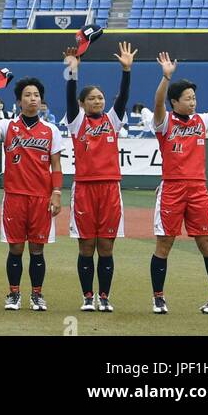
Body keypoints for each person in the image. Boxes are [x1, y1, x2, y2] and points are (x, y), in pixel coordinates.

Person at [150, 52, 208, 315]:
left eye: (194, 98)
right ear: (175, 102)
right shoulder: (164, 122)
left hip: (198, 189)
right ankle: (158, 298)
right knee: (164, 244)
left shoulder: (202, 120)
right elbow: (158, 103)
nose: (193, 102)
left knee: (206, 243)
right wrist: (166, 77)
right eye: (188, 98)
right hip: (171, 189)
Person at [63, 43, 134, 312]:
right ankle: (87, 297)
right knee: (86, 246)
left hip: (110, 189)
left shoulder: (112, 121)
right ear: (82, 104)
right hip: (84, 190)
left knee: (106, 246)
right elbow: (70, 96)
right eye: (92, 98)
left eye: (100, 98)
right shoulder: (77, 121)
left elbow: (123, 98)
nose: (97, 101)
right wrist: (72, 71)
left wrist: (126, 71)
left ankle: (104, 297)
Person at [0, 75, 64, 312]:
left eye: (36, 95)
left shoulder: (51, 130)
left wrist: (57, 192)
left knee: (37, 249)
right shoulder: (9, 125)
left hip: (41, 198)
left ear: (41, 101)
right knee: (16, 248)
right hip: (15, 196)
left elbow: (56, 166)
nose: (33, 99)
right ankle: (14, 293)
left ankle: (37, 295)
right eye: (27, 95)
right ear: (19, 101)